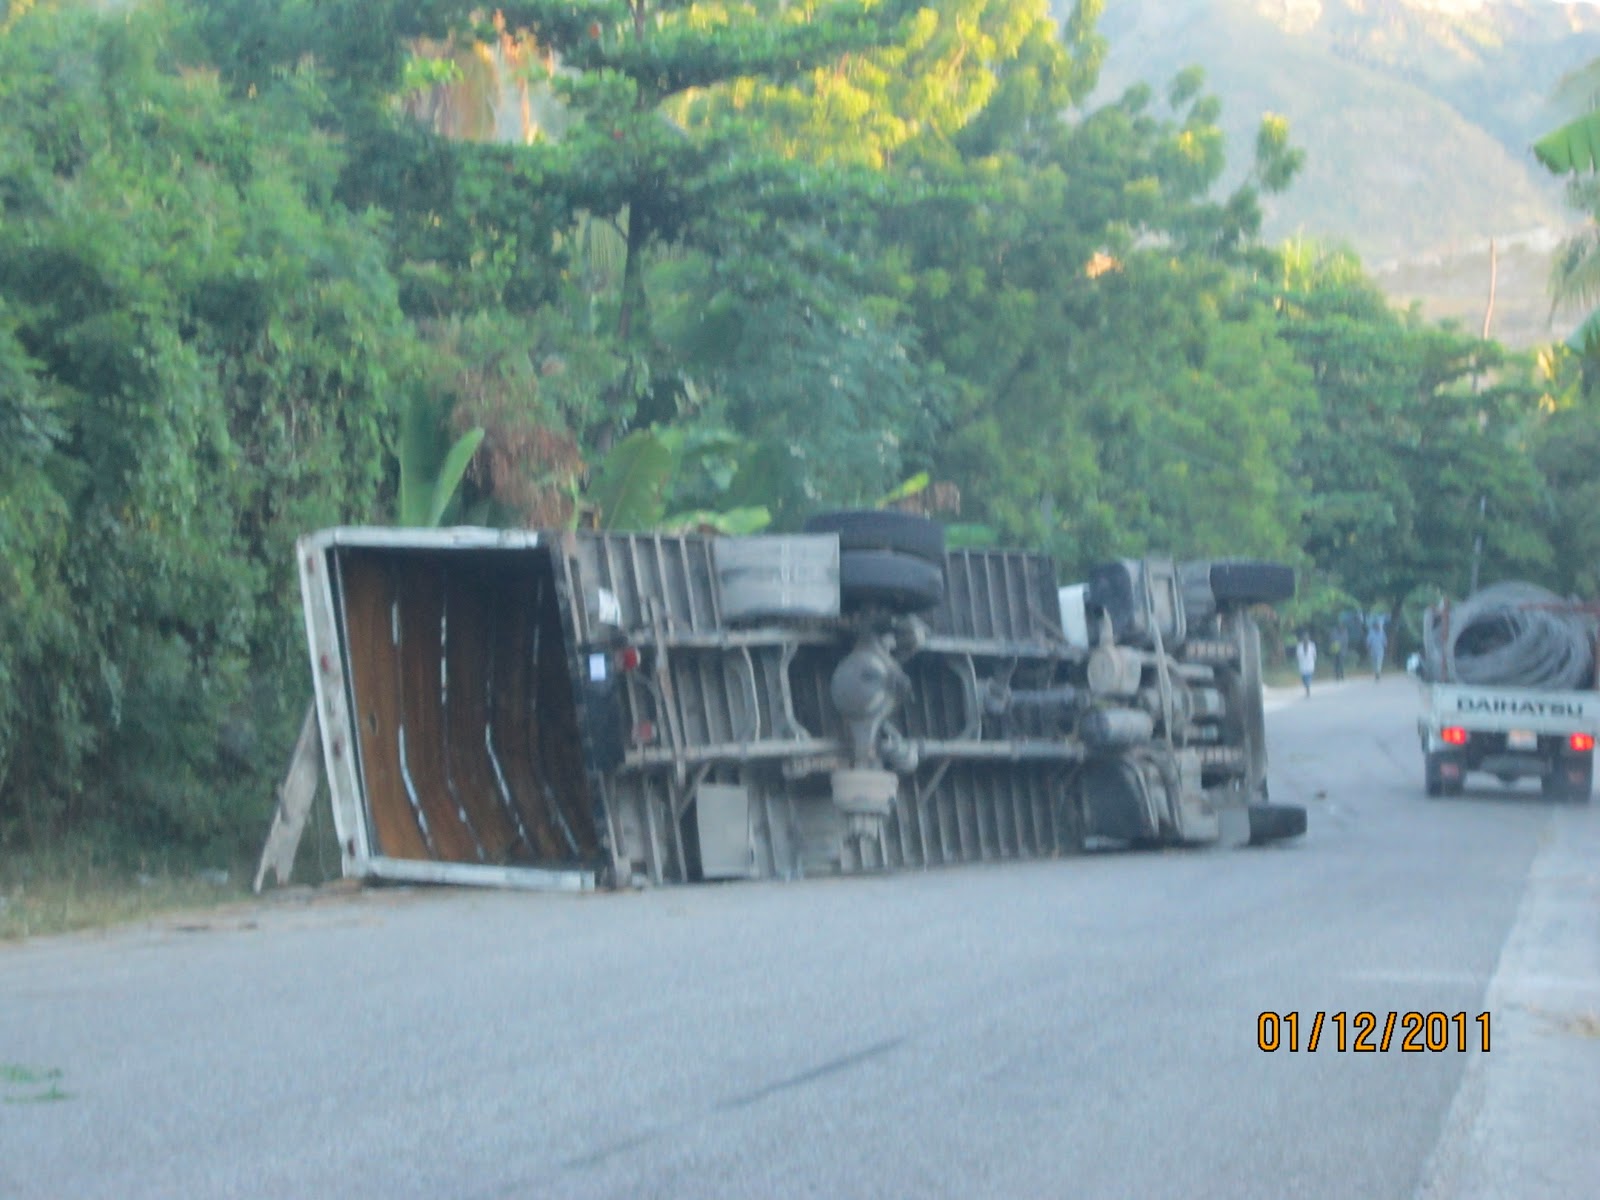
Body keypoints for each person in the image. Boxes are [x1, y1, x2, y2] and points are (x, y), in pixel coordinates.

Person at [1296, 631, 1317, 697]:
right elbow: (1298, 656)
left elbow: (1314, 654)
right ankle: (1307, 686)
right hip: (1302, 665)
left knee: (1308, 677)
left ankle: (1308, 689)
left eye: (1307, 637)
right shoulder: (1299, 646)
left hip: (1310, 664)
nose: (1305, 638)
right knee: (1304, 679)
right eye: (1304, 637)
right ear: (1302, 638)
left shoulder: (1312, 645)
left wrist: (1313, 659)